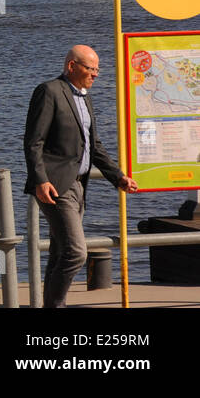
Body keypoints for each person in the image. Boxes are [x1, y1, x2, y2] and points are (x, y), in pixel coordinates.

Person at [24, 45, 138, 308]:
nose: (95, 74)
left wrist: (118, 176)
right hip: (55, 186)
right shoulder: (49, 91)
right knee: (76, 252)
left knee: (59, 252)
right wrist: (40, 180)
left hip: (79, 185)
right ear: (72, 66)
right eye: (90, 68)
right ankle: (57, 305)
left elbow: (93, 145)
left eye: (98, 69)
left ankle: (51, 305)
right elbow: (33, 142)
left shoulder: (84, 97)